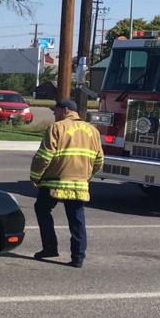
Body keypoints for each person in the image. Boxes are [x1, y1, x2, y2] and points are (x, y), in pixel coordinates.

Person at [30, 97, 104, 268]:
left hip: (55, 182)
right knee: (77, 218)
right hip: (79, 184)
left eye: (55, 110)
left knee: (42, 209)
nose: (54, 114)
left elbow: (44, 157)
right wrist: (87, 176)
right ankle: (78, 257)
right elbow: (99, 160)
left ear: (65, 110)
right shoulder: (92, 130)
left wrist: (35, 176)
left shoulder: (57, 128)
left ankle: (49, 248)